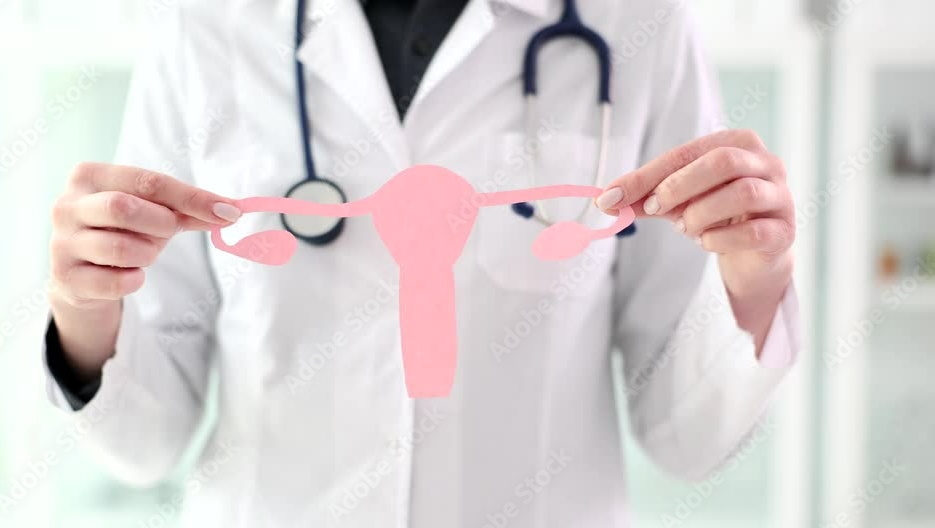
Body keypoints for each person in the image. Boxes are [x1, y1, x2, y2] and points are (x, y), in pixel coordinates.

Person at [42, 0, 800, 526]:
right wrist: (86, 312)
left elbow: (685, 438)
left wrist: (753, 281)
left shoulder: (635, 23)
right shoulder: (205, 25)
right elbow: (147, 441)